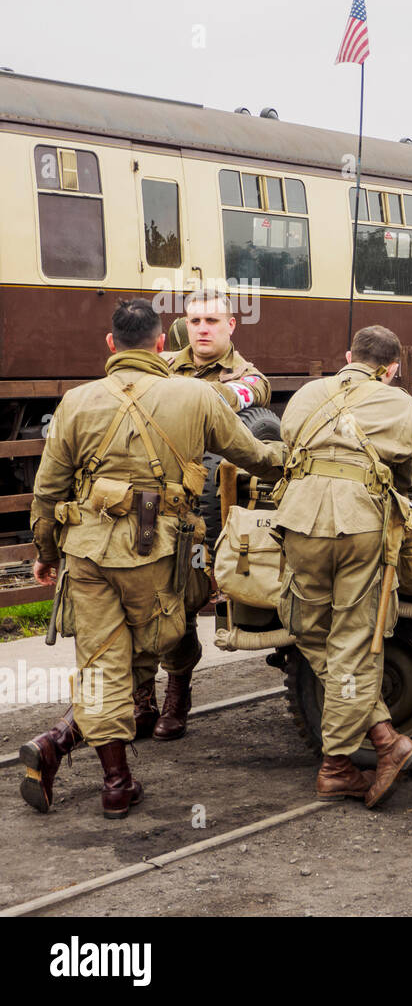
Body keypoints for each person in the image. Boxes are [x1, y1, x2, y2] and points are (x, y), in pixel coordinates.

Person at [20, 300, 284, 818]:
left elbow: (47, 490)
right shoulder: (195, 394)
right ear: (163, 343)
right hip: (154, 551)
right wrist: (300, 460)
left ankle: (110, 778)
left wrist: (46, 553)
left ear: (110, 344)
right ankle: (75, 751)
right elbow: (253, 453)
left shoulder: (75, 401)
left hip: (87, 554)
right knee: (145, 654)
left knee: (100, 664)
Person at [275, 326, 412, 807]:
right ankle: (343, 761)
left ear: (347, 356)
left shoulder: (304, 394)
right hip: (360, 526)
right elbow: (406, 474)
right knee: (354, 643)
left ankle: (381, 737)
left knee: (310, 630)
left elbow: (287, 449)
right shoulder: (400, 402)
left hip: (298, 522)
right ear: (391, 368)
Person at [140, 288, 274, 742]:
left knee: (181, 605)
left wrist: (178, 395)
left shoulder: (247, 376)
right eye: (194, 321)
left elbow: (234, 400)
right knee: (141, 603)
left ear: (231, 325)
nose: (202, 329)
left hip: (203, 516)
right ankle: (141, 701)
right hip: (150, 507)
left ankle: (177, 695)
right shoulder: (162, 364)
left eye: (212, 322)